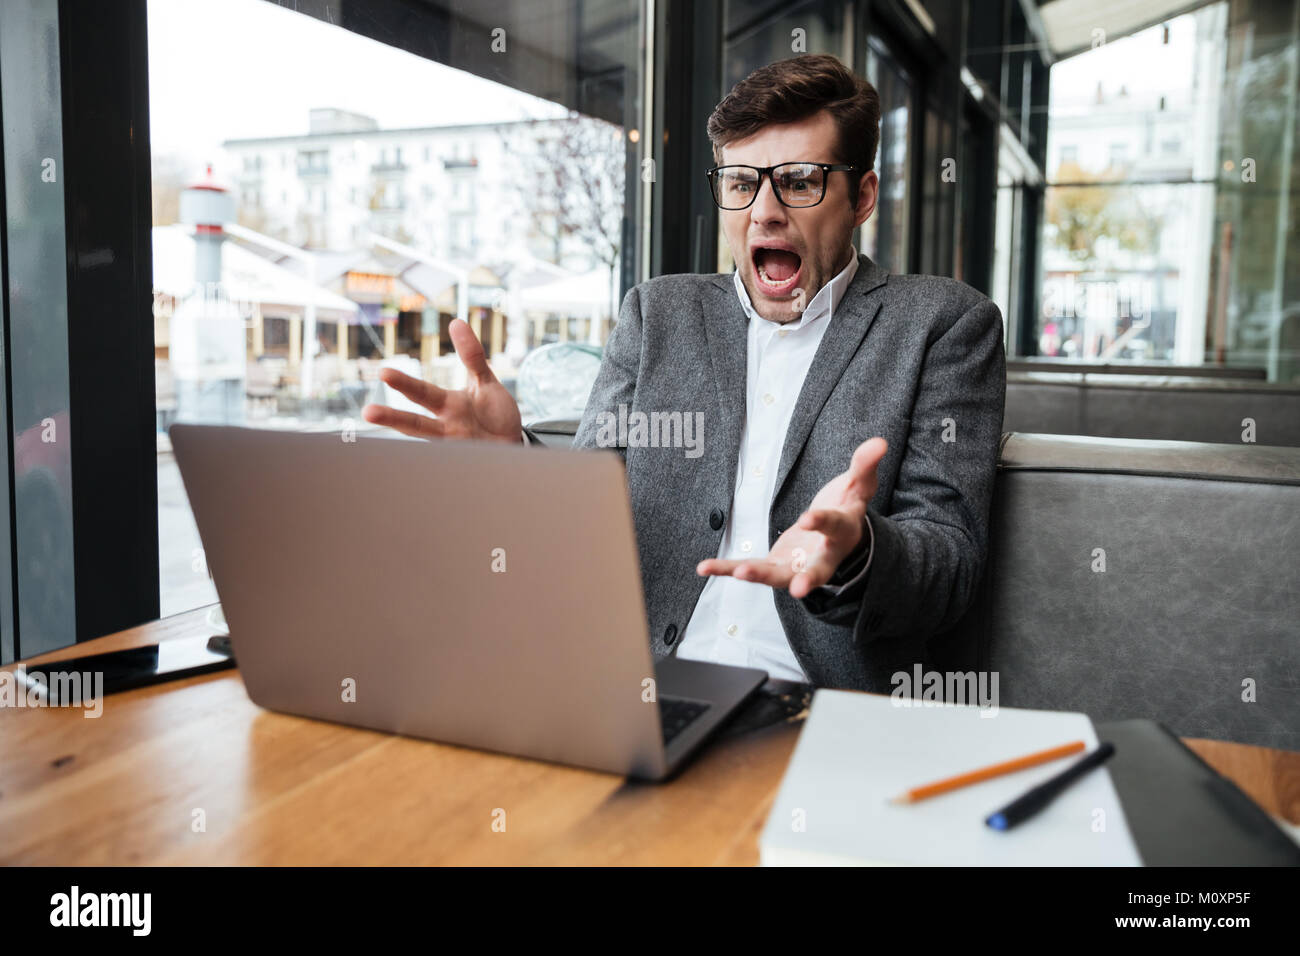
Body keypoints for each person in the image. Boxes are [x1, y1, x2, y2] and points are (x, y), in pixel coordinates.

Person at [363, 53, 1005, 691]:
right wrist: (515, 462)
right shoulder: (657, 314)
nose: (764, 211)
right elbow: (590, 510)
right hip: (640, 689)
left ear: (861, 196)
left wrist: (857, 553)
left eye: (800, 180)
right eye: (740, 182)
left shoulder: (943, 324)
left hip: (822, 706)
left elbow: (949, 561)